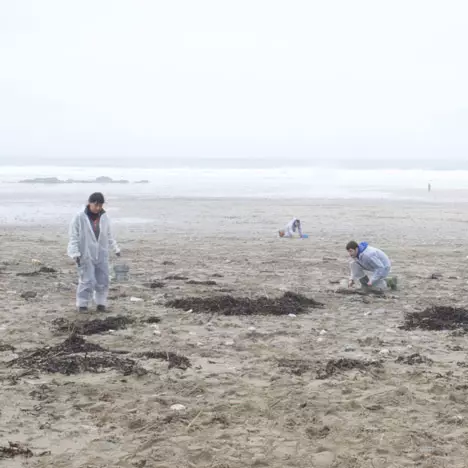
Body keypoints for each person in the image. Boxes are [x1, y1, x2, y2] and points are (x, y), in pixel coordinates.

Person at [68, 192, 121, 312]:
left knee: (103, 278)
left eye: (100, 205)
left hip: (101, 253)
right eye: (95, 205)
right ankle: (82, 304)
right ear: (89, 203)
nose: (98, 208)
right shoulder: (80, 217)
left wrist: (115, 248)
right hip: (85, 253)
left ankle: (101, 303)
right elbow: (73, 236)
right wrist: (75, 253)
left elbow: (108, 235)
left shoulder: (104, 217)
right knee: (87, 279)